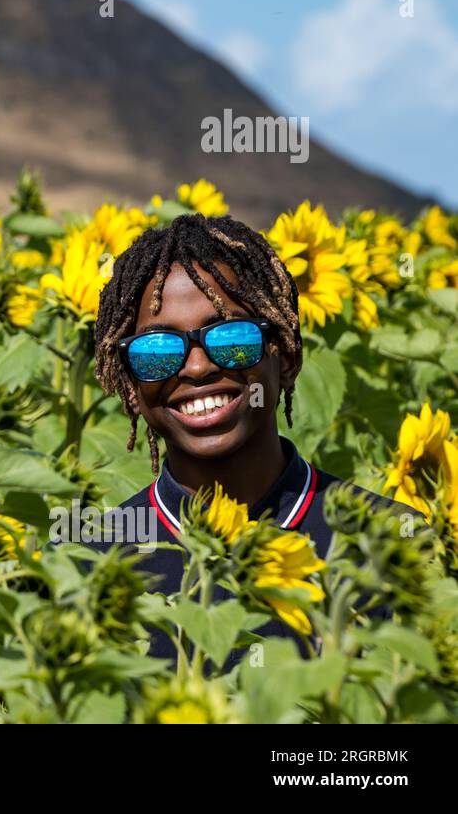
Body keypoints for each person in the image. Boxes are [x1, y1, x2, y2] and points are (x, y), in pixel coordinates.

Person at [87, 212, 419, 666]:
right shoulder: (89, 566)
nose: (198, 367)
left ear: (284, 356)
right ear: (130, 386)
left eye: (232, 338)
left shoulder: (392, 547)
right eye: (156, 351)